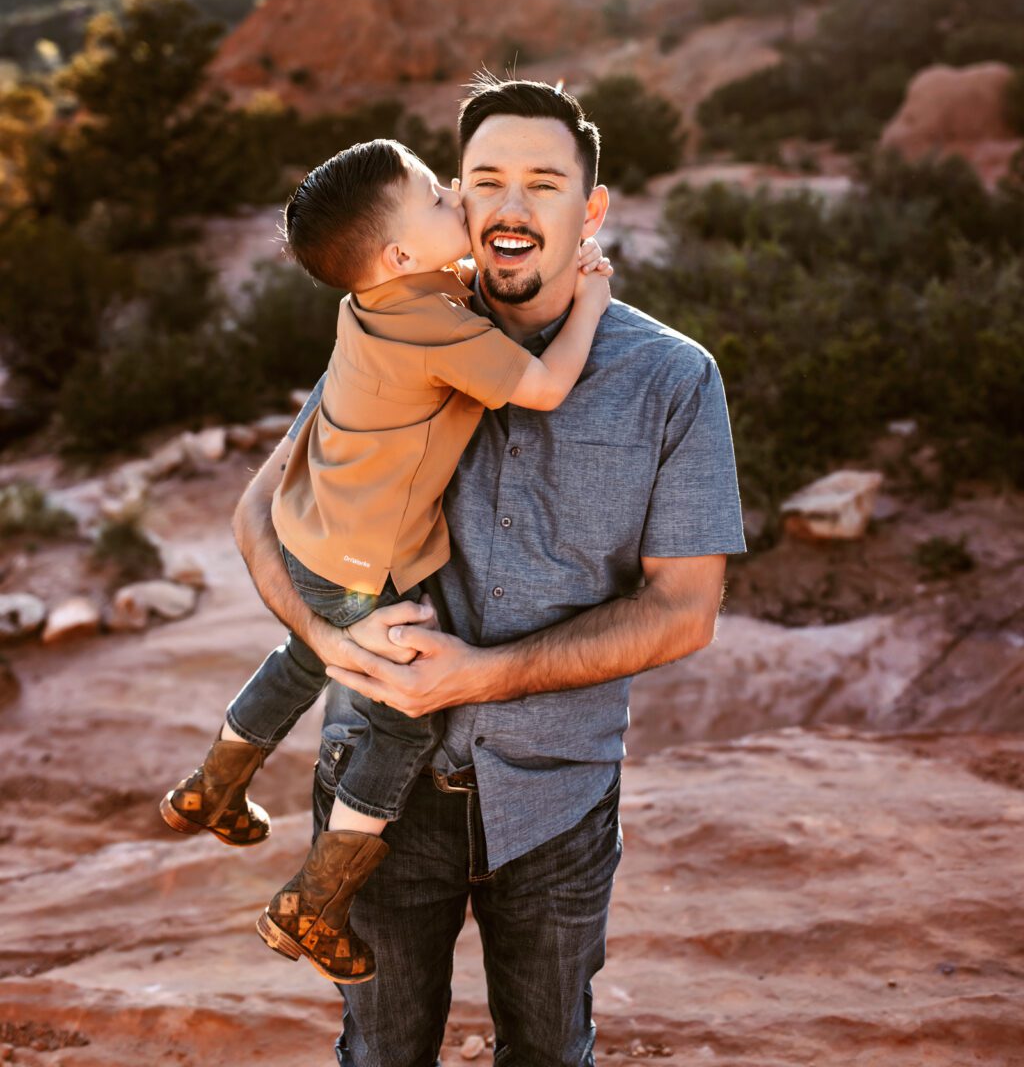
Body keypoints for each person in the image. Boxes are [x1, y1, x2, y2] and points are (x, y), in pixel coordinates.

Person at [232, 75, 746, 1067]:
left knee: (551, 1055)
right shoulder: (390, 324)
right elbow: (260, 510)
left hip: (555, 801)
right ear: (455, 199)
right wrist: (325, 636)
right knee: (380, 1056)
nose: (510, 207)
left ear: (589, 209)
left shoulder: (673, 379)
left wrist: (484, 675)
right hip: (374, 796)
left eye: (543, 183)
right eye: (484, 181)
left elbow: (685, 611)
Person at [159, 136, 611, 985]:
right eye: (443, 199)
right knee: (404, 715)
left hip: (312, 538)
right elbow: (544, 388)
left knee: (305, 655)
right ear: (401, 253)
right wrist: (588, 299)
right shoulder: (436, 327)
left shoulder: (372, 299)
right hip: (369, 567)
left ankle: (211, 786)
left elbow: (452, 286)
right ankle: (316, 900)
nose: (460, 204)